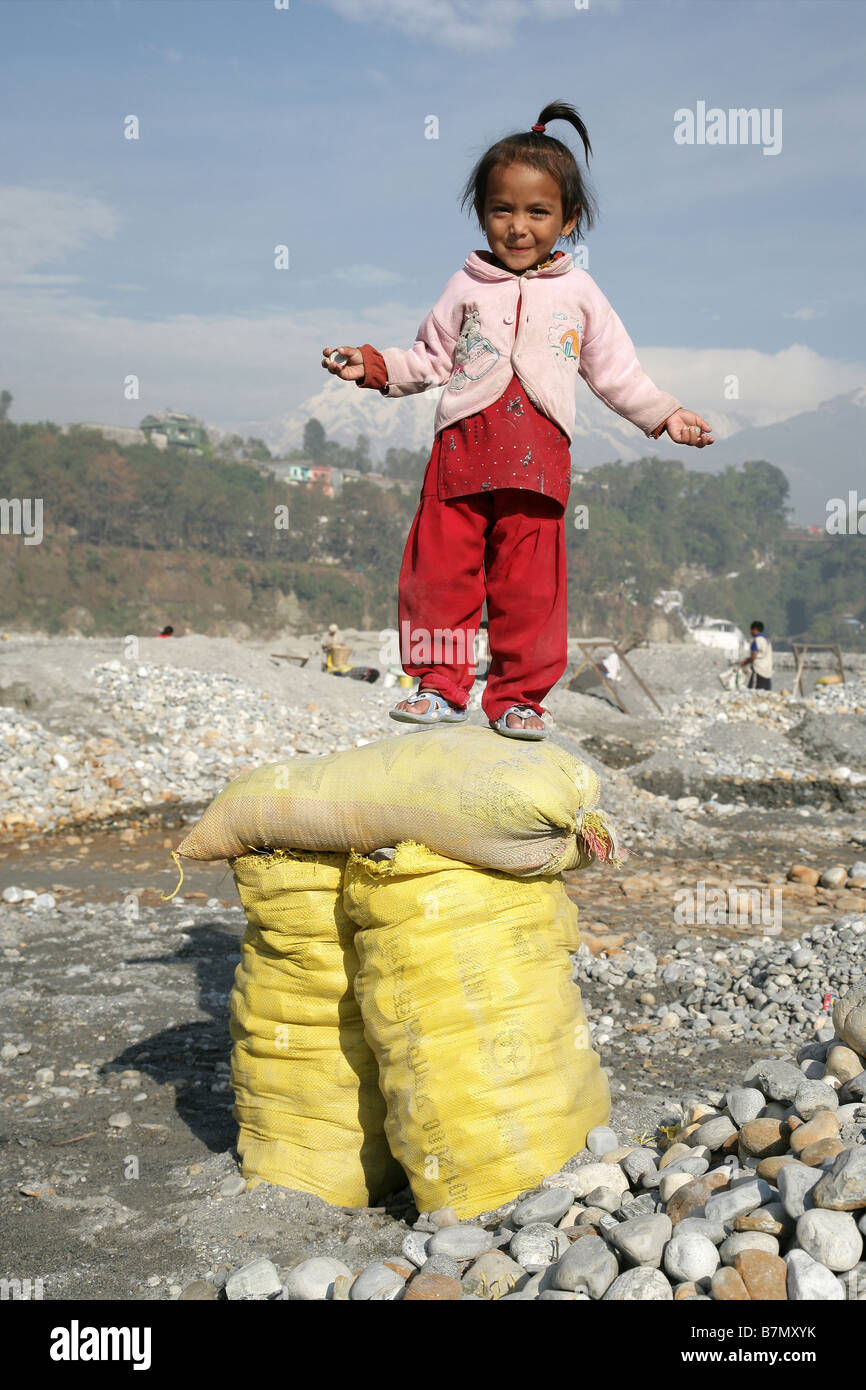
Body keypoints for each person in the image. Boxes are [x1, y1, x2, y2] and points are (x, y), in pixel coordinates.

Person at [322, 100, 713, 740]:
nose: (519, 226)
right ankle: (439, 687)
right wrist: (369, 364)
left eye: (538, 212)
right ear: (482, 214)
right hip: (460, 458)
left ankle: (518, 696)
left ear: (569, 219)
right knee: (439, 577)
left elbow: (616, 371)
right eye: (503, 209)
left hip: (539, 467)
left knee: (530, 590)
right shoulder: (465, 286)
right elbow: (427, 359)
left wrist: (666, 414)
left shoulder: (581, 294)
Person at [740, 620, 773, 691]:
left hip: (758, 671)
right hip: (768, 671)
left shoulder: (756, 641)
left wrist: (746, 661)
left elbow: (754, 656)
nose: (750, 632)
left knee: (753, 692)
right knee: (766, 693)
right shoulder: (767, 641)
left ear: (755, 629)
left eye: (751, 630)